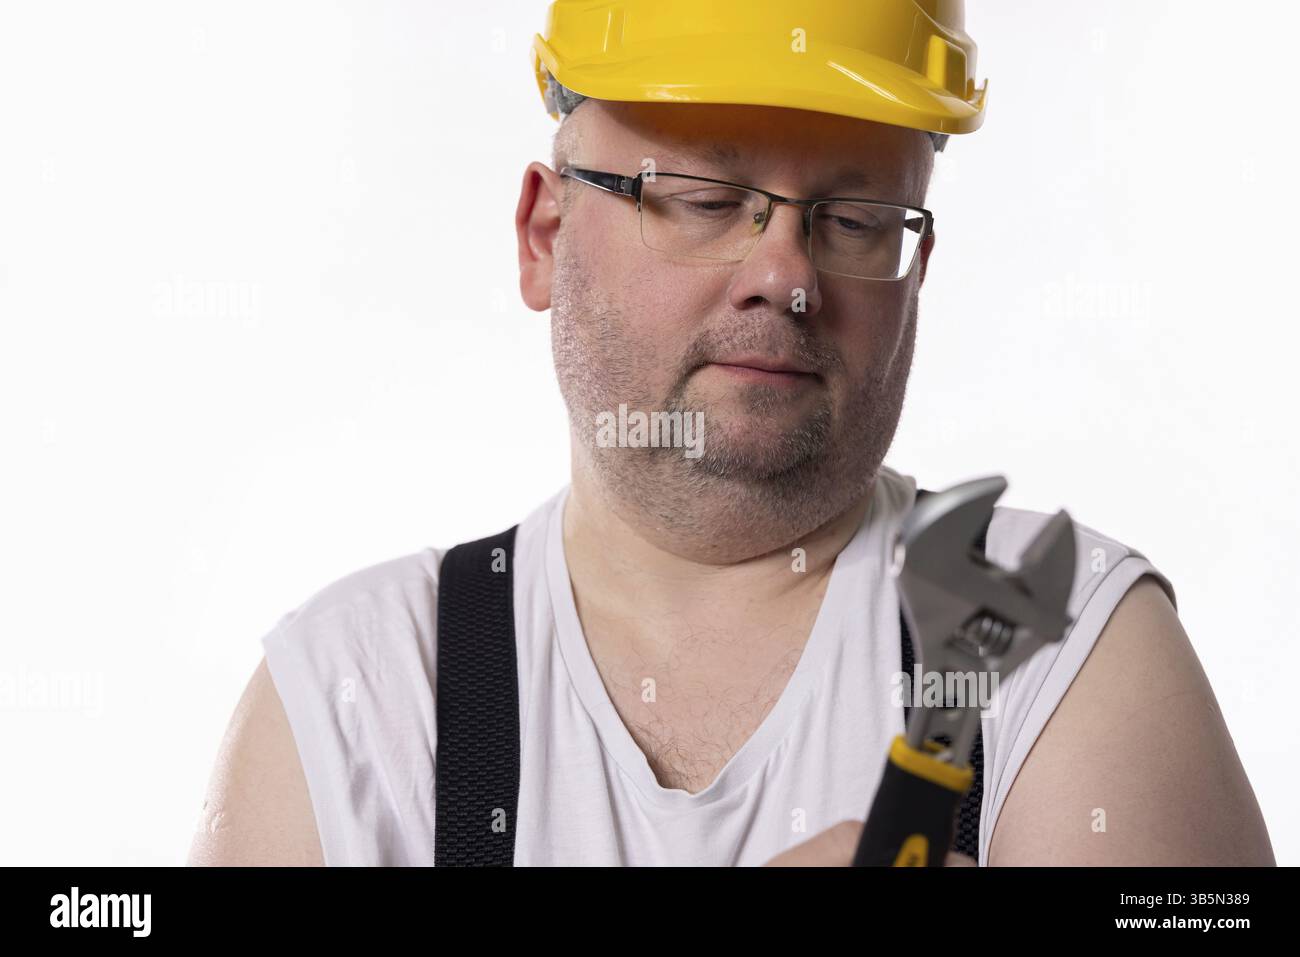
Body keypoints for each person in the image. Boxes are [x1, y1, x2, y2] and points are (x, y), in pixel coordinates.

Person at [188, 0, 1274, 866]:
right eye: (704, 197)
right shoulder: (353, 701)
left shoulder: (1064, 648)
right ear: (542, 234)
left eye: (854, 220)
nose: (785, 277)